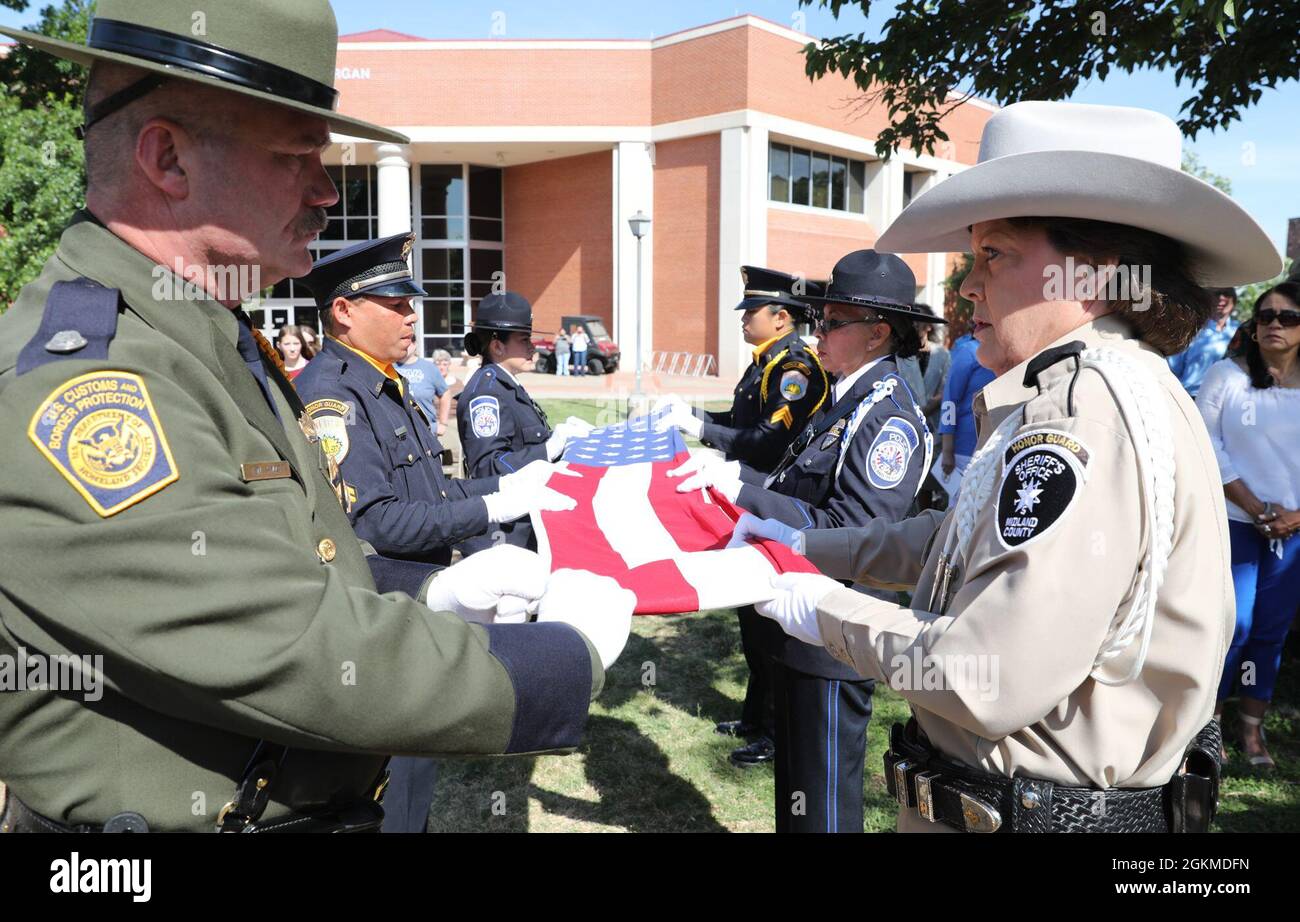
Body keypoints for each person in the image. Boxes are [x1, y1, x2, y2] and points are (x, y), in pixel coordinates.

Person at [0, 0, 632, 834]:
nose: (329, 190)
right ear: (167, 157)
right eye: (298, 154)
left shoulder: (200, 334)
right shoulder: (90, 382)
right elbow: (282, 643)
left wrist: (428, 588)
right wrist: (560, 660)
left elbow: (296, 553)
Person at [749, 100, 1281, 833]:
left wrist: (814, 608)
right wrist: (797, 549)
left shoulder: (1085, 408)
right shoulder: (1084, 387)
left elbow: (984, 676)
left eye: (994, 255)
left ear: (1089, 276)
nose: (968, 285)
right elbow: (958, 545)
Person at [670, 251, 938, 832]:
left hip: (832, 633)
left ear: (877, 333)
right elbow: (792, 482)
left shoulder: (886, 416)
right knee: (795, 792)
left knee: (821, 804)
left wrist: (744, 493)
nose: (817, 331)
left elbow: (855, 531)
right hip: (798, 618)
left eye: (832, 320)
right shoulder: (845, 398)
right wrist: (737, 478)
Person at [655, 266, 829, 763]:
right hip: (748, 498)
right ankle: (757, 717)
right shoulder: (764, 362)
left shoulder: (795, 367)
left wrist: (701, 430)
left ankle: (776, 732)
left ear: (780, 317)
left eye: (751, 310)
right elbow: (740, 423)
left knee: (770, 620)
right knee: (752, 619)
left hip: (774, 500)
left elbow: (768, 442)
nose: (743, 318)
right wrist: (697, 421)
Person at [1197, 282, 1300, 771]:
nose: (1274, 323)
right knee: (1230, 625)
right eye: (1265, 316)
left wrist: (1294, 517)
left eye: (1288, 317)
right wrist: (1256, 507)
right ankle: (1209, 725)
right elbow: (1206, 447)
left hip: (1293, 534)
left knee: (1269, 632)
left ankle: (1252, 731)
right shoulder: (1225, 376)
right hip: (1235, 523)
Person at [458, 292, 593, 555]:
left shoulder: (505, 385)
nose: (533, 347)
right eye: (524, 340)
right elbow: (488, 467)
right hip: (506, 534)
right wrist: (548, 449)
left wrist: (560, 440)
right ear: (497, 346)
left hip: (525, 522)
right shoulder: (487, 393)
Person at [898, 304, 951, 510]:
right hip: (908, 423)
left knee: (930, 482)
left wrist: (928, 408)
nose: (915, 328)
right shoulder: (901, 355)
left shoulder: (942, 355)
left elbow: (947, 389)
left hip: (933, 427)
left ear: (929, 327)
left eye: (919, 324)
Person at [935, 330, 996, 502]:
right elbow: (949, 399)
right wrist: (947, 450)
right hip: (963, 450)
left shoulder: (1000, 350)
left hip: (990, 446)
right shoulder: (968, 351)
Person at [1168, 287, 1240, 397]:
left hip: (1226, 399)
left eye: (1226, 294)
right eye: (1217, 294)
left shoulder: (1240, 330)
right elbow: (1173, 367)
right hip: (1190, 396)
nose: (1221, 298)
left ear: (1234, 301)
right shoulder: (1192, 329)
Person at [396, 336, 450, 438]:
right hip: (400, 432)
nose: (406, 344)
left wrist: (443, 423)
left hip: (427, 429)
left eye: (409, 340)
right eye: (401, 340)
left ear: (415, 343)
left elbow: (445, 393)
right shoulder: (390, 366)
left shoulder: (429, 368)